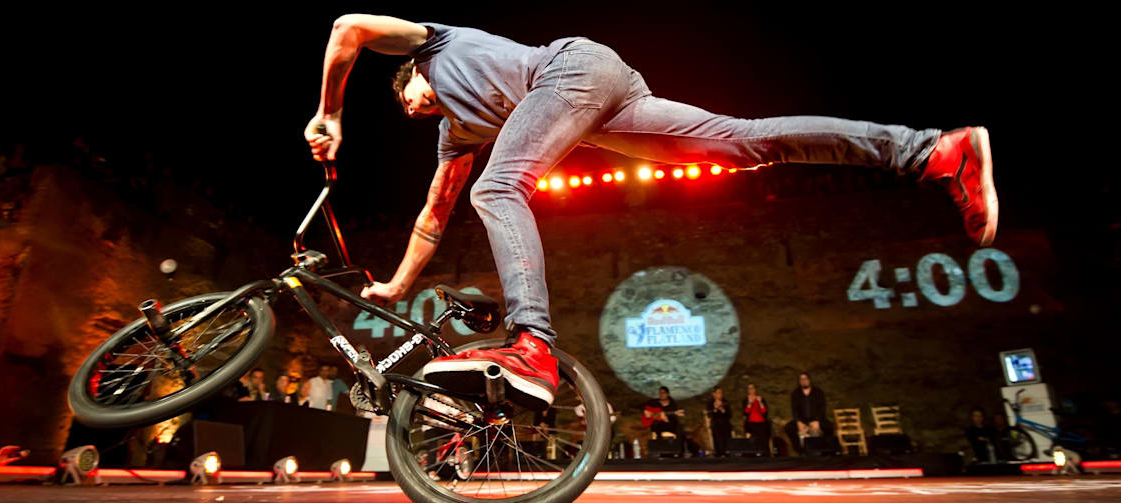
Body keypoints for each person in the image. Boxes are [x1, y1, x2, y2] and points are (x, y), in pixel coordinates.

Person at [305, 15, 1000, 410]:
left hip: (569, 70)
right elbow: (433, 214)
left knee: (498, 188)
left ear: (418, 75)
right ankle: (934, 153)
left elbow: (349, 28)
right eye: (418, 113)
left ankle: (533, 343)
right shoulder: (461, 133)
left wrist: (329, 113)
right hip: (610, 95)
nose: (423, 109)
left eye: (416, 99)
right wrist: (397, 285)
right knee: (744, 142)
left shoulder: (437, 44)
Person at [785, 372, 833, 455]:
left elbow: (822, 407)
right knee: (789, 428)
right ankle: (800, 450)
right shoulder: (795, 394)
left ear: (809, 380)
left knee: (829, 427)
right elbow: (794, 409)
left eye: (805, 379)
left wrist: (817, 421)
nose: (804, 381)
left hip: (816, 419)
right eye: (801, 379)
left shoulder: (818, 392)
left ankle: (824, 450)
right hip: (802, 420)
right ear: (799, 381)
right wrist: (799, 422)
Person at [742, 383, 771, 456]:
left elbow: (765, 412)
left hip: (761, 422)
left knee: (764, 431)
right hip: (751, 423)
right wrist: (749, 403)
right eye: (749, 388)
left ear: (755, 389)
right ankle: (752, 454)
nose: (751, 390)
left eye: (752, 388)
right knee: (752, 435)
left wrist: (760, 402)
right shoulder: (745, 400)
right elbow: (745, 413)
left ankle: (765, 454)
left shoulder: (761, 398)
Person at [706, 386, 732, 457]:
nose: (719, 394)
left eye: (720, 393)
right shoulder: (710, 402)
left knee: (726, 439)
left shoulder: (725, 402)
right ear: (714, 394)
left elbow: (729, 415)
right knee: (717, 439)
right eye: (717, 393)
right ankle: (718, 453)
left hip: (725, 424)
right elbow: (709, 414)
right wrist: (714, 409)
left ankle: (726, 452)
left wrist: (722, 409)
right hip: (715, 424)